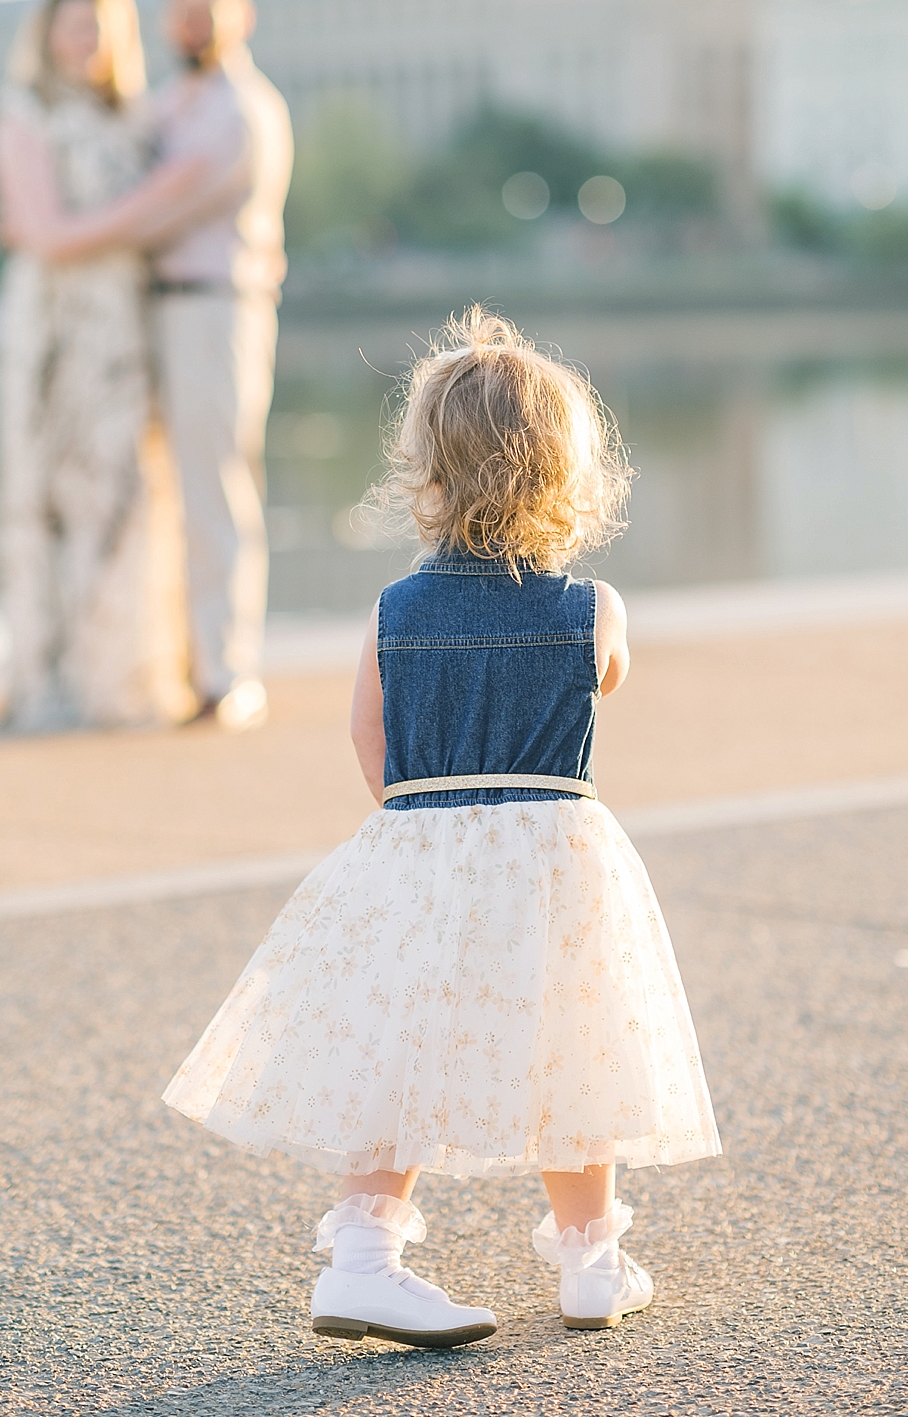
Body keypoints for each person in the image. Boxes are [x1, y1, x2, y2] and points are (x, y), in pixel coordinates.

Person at [162, 310, 720, 1346]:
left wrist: (430, 834)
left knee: (397, 1050)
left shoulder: (387, 613)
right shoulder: (592, 606)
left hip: (419, 847)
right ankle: (590, 1262)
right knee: (572, 1045)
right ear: (564, 467)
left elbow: (368, 749)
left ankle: (364, 1262)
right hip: (555, 854)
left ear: (422, 465)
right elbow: (604, 680)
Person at [8, 0, 292, 733]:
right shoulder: (164, 105)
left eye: (207, 13)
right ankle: (161, 659)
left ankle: (227, 673)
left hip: (212, 309)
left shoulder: (243, 112)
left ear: (241, 16)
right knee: (147, 493)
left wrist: (57, 235)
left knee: (215, 485)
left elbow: (158, 202)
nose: (193, 26)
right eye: (183, 14)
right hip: (139, 316)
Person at [0, 0, 192, 729]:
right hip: (54, 327)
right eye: (71, 26)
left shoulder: (133, 117)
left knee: (123, 493)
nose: (84, 41)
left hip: (122, 326)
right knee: (49, 496)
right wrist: (158, 202)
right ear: (46, 35)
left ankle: (120, 676)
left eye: (98, 27)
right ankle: (50, 682)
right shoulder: (23, 113)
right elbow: (44, 234)